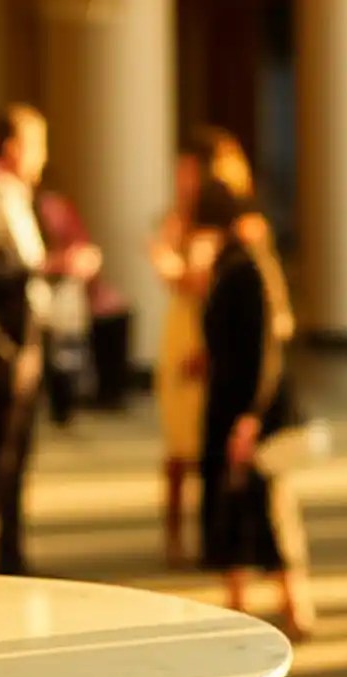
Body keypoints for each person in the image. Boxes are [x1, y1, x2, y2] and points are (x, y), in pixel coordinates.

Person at [0, 105, 90, 574]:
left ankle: (10, 557)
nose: (43, 157)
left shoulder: (20, 196)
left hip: (28, 343)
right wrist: (52, 268)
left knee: (15, 460)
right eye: (38, 145)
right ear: (13, 149)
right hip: (1, 350)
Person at [193, 178, 311, 639]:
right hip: (230, 402)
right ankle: (238, 605)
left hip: (248, 409)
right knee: (233, 506)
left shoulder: (249, 269)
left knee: (267, 506)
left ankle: (294, 604)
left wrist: (249, 417)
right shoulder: (231, 265)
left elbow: (264, 352)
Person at [152, 129, 254, 566]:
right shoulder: (180, 218)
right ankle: (177, 535)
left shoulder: (235, 225)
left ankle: (223, 534)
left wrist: (170, 265)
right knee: (177, 443)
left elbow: (206, 281)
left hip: (208, 326)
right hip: (181, 329)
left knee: (212, 437)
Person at [37, 189, 102, 428]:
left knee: (69, 352)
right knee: (53, 351)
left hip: (66, 293)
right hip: (46, 290)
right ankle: (57, 403)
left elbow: (83, 248)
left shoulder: (63, 210)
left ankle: (67, 403)